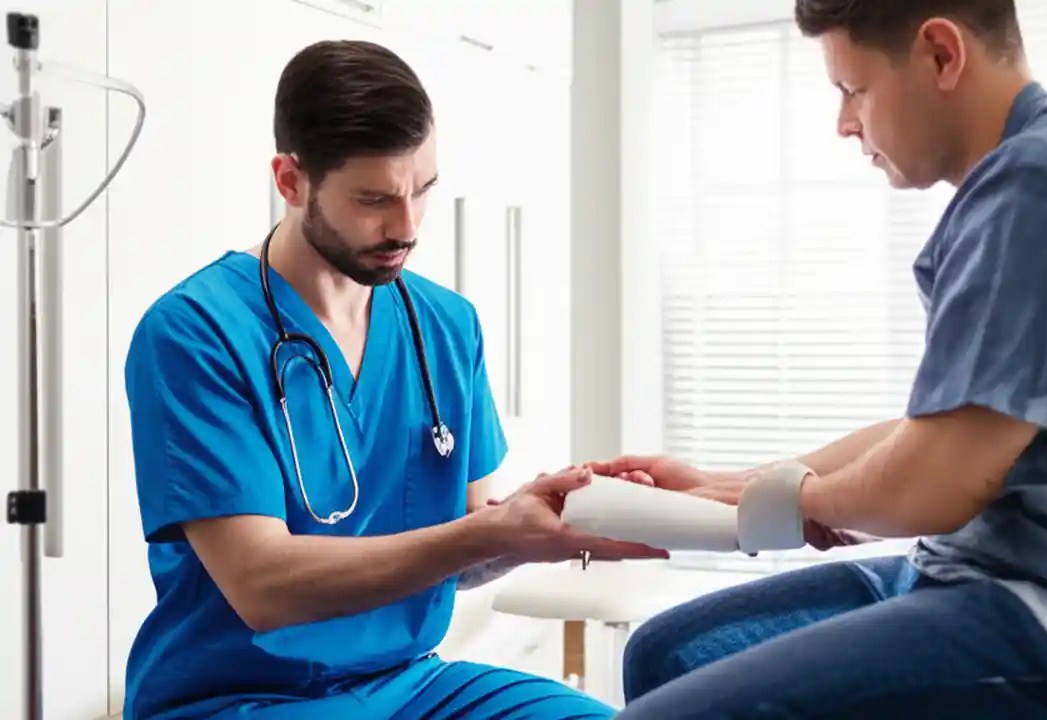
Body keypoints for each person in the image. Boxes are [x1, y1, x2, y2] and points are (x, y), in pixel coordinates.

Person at [595, 1, 1047, 719]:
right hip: (987, 574)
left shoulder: (1046, 181)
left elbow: (938, 479)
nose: (845, 124)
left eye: (853, 91)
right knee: (669, 652)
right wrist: (731, 487)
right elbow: (945, 430)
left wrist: (794, 502)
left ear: (942, 54)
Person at [120, 39, 667, 720]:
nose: (407, 227)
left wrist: (536, 528)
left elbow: (460, 547)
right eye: (374, 199)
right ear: (290, 181)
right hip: (242, 699)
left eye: (423, 191)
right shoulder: (196, 331)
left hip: (410, 682)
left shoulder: (446, 324)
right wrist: (493, 535)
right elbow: (263, 586)